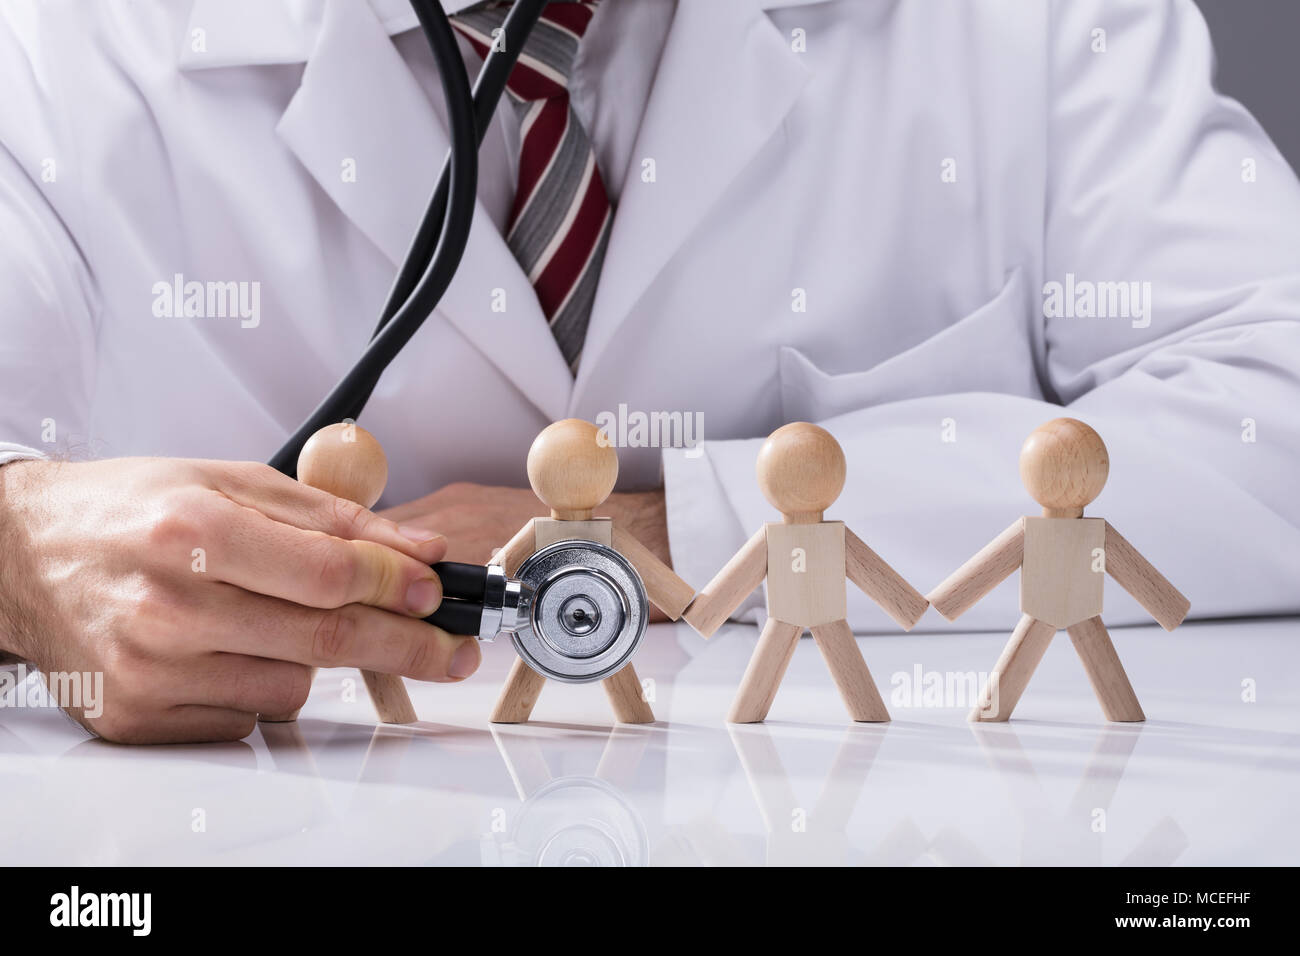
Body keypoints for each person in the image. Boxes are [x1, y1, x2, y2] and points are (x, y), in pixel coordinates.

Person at [1, 0, 1297, 743]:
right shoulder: (55, 50)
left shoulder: (1029, 30)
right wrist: (16, 553)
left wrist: (672, 535)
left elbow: (1277, 405)